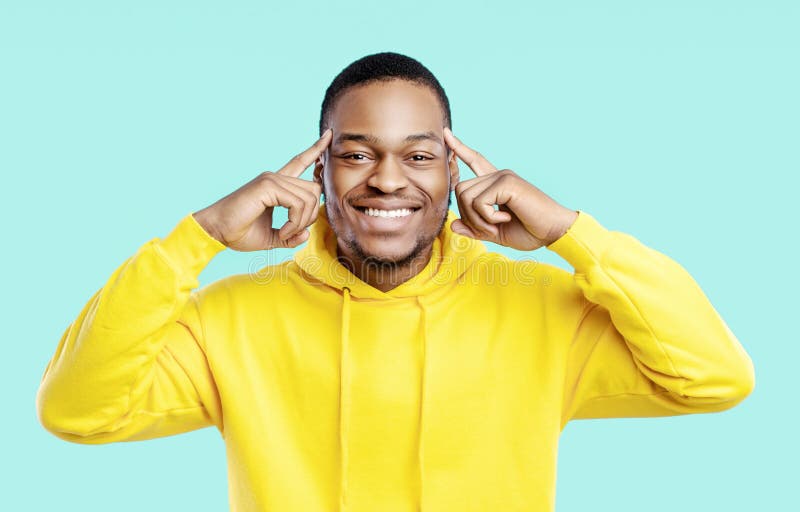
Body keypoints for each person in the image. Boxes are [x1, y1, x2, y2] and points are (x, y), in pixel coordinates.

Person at [36, 52, 755, 511]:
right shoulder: (228, 317)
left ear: (455, 174)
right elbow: (77, 409)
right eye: (354, 155)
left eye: (419, 155)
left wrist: (571, 232)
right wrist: (199, 239)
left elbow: (714, 378)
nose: (387, 179)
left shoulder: (542, 308)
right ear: (316, 172)